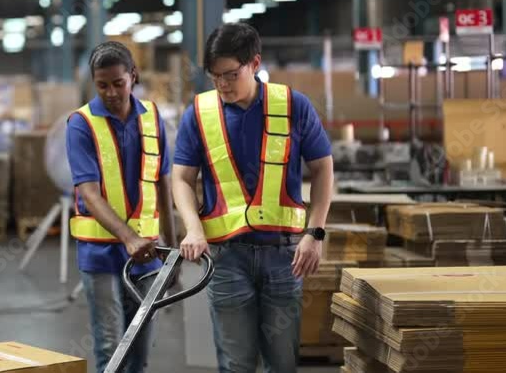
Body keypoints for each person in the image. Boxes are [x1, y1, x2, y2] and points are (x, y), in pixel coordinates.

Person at [171, 23, 334, 373]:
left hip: (285, 255)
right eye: (215, 76)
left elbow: (323, 169)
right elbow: (181, 179)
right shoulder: (199, 113)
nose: (223, 84)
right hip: (227, 258)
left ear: (255, 63)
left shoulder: (294, 106)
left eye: (231, 74)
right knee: (236, 363)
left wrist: (314, 233)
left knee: (283, 362)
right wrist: (193, 229)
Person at [66, 41, 177, 373]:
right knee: (110, 348)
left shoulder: (153, 118)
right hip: (100, 253)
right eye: (102, 85)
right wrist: (128, 238)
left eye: (118, 83)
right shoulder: (81, 124)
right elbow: (89, 192)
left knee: (139, 352)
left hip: (148, 254)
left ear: (133, 76)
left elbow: (163, 184)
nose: (111, 92)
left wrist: (171, 252)